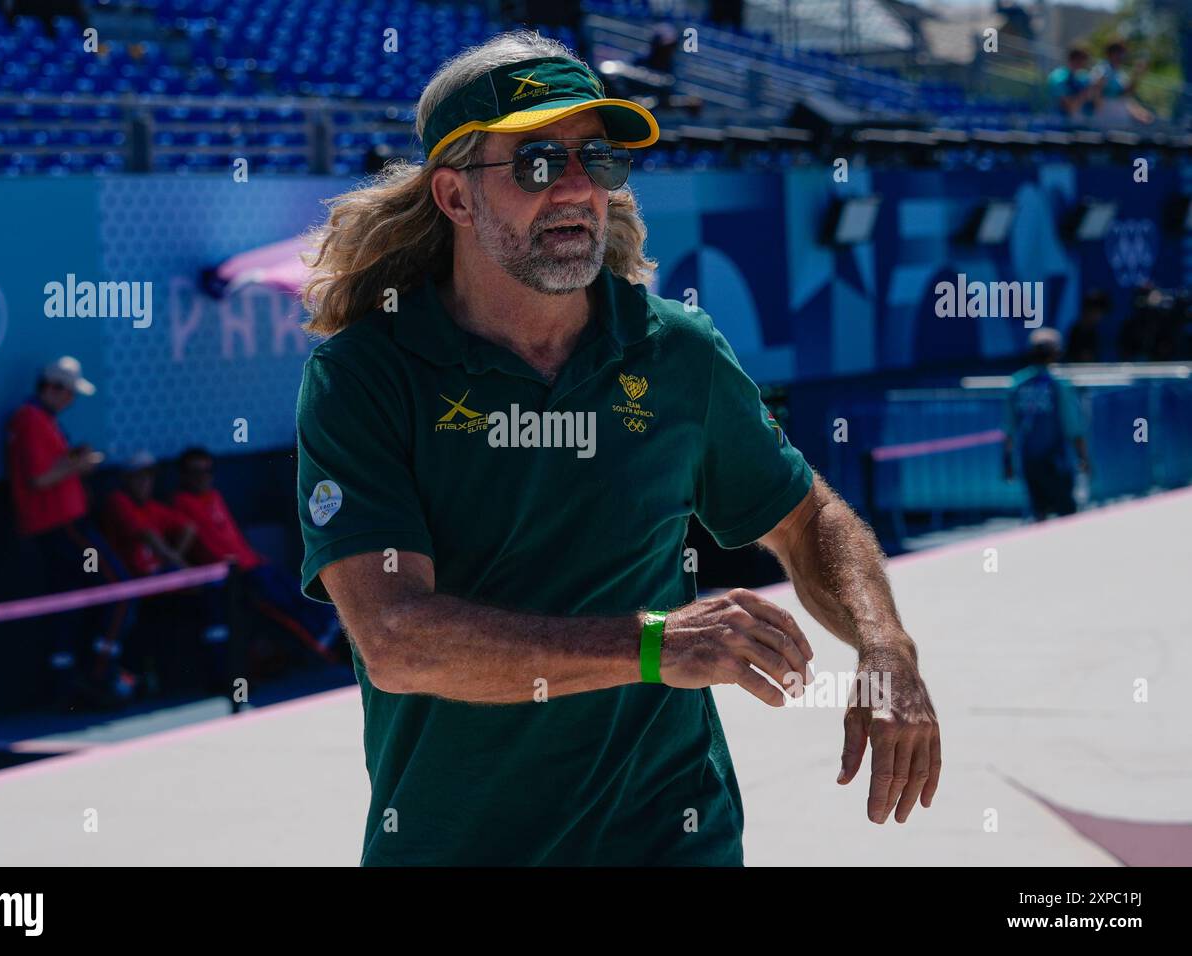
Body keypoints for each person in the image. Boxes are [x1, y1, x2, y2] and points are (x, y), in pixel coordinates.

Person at [294, 31, 941, 866]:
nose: (575, 189)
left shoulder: (677, 351)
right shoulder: (363, 377)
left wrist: (887, 648)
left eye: (595, 160)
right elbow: (396, 639)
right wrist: (652, 645)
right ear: (454, 197)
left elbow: (809, 519)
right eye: (536, 163)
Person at [5, 356, 135, 706]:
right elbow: (39, 479)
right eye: (69, 393)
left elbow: (48, 469)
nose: (72, 401)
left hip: (59, 527)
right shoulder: (31, 419)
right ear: (52, 388)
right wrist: (78, 465)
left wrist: (72, 461)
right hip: (63, 527)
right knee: (120, 593)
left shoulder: (40, 419)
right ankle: (100, 673)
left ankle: (69, 683)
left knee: (67, 605)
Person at [171, 447, 342, 667]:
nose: (203, 477)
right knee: (281, 604)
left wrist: (255, 556)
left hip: (255, 563)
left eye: (207, 471)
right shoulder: (180, 503)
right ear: (184, 475)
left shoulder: (214, 496)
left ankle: (333, 627)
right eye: (196, 472)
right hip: (234, 575)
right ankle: (325, 647)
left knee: (299, 591)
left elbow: (232, 536)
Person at [1003, 328, 1090, 521]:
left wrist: (1007, 461)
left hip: (1029, 461)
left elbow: (1009, 429)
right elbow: (1073, 427)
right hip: (1056, 461)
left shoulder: (1017, 384)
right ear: (1056, 352)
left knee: (1039, 514)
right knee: (1067, 514)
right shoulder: (1058, 385)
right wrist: (1084, 457)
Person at [102, 452, 195, 578]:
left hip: (161, 575)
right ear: (126, 478)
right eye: (138, 476)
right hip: (136, 580)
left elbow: (189, 528)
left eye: (149, 476)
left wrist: (175, 559)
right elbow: (146, 534)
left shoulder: (152, 506)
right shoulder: (118, 501)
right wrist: (179, 565)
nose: (145, 482)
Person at [1092, 41, 1153, 126]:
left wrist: (1136, 76)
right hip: (1104, 118)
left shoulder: (1120, 73)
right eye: (1119, 53)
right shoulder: (1101, 68)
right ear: (1111, 53)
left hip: (1119, 119)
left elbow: (1126, 93)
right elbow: (1096, 90)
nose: (1122, 57)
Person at [1046, 47, 1099, 120]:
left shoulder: (1081, 77)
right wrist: (1084, 94)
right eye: (1083, 60)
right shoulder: (1059, 77)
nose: (1084, 64)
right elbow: (1069, 107)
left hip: (1074, 121)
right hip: (1056, 122)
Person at [1065, 288, 1109, 362]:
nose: (1099, 315)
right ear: (1088, 309)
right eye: (1096, 310)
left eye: (1100, 311)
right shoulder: (1077, 331)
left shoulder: (1096, 331)